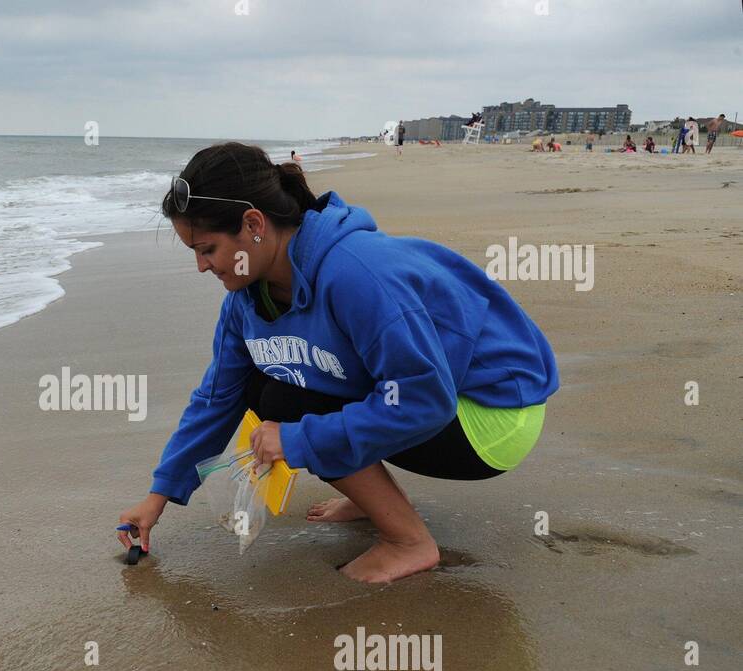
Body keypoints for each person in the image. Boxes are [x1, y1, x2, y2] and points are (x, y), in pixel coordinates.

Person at [116, 143, 559, 583]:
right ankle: (377, 500)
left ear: (253, 224)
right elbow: (216, 399)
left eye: (207, 248)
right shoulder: (247, 299)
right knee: (265, 384)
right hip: (429, 395)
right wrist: (159, 495)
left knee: (289, 407)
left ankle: (408, 542)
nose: (200, 266)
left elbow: (425, 400)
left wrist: (300, 439)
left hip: (493, 413)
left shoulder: (356, 274)